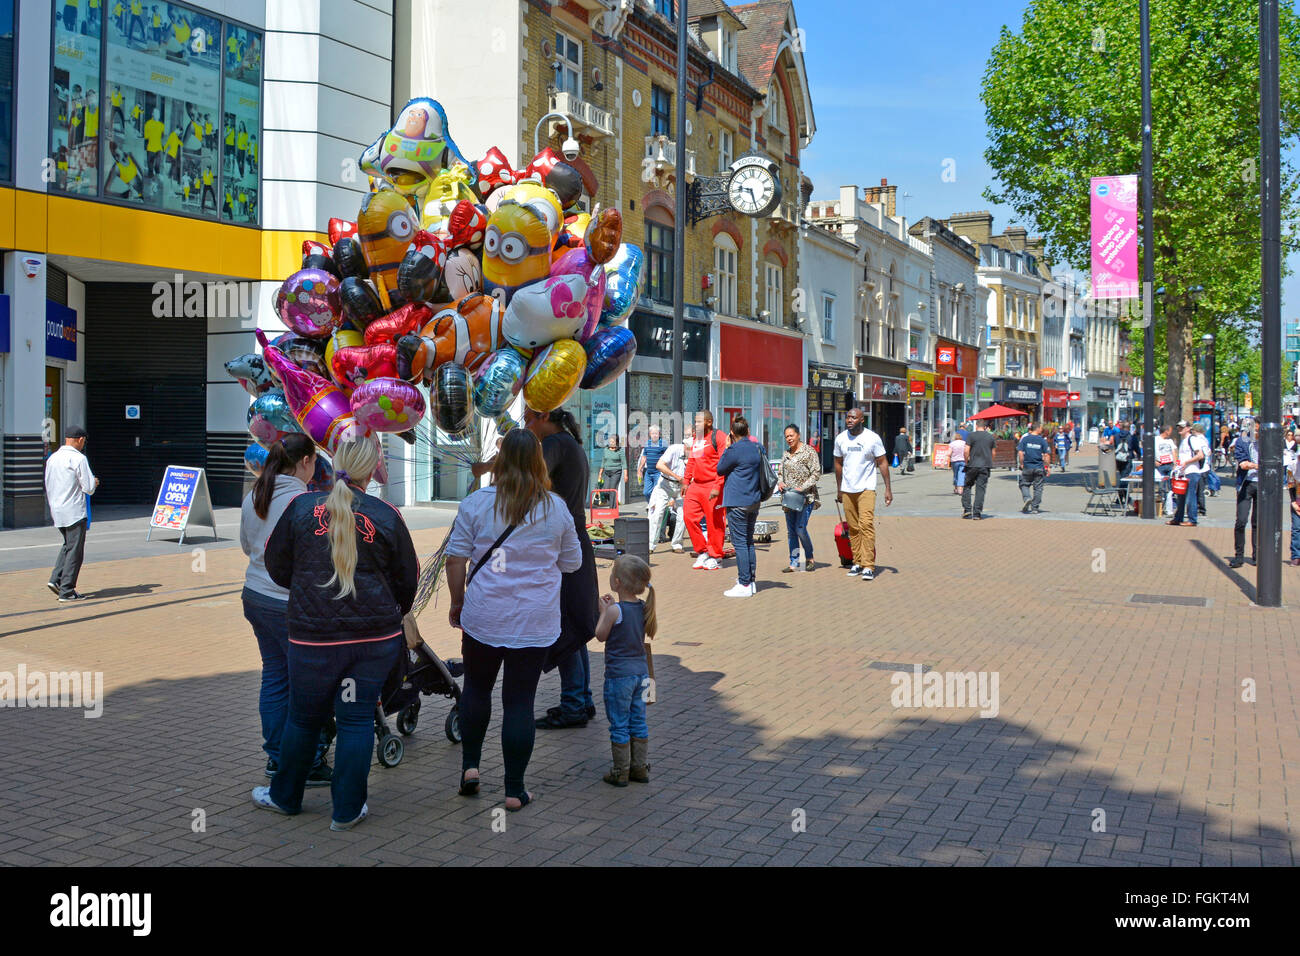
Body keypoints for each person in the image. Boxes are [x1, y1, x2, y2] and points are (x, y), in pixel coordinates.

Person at [253, 439, 418, 830]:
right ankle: (346, 810)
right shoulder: (386, 514)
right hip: (372, 640)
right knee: (356, 720)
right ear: (372, 470)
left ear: (335, 463)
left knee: (303, 719)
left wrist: (308, 591)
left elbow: (276, 566)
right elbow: (407, 580)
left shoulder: (301, 508)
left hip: (313, 638)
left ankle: (285, 797)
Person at [446, 428, 581, 811]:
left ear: (501, 462)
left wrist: (458, 602)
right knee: (519, 702)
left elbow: (455, 560)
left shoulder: (476, 503)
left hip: (484, 615)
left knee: (476, 690)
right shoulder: (555, 508)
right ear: (539, 463)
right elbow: (572, 562)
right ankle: (514, 790)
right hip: (534, 622)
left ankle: (470, 768)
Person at [239, 434, 332, 787]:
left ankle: (277, 756)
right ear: (305, 461)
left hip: (255, 596)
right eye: (315, 462)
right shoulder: (304, 502)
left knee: (275, 677)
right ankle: (308, 760)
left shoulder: (254, 496)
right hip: (288, 603)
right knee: (308, 684)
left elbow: (247, 546)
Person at [525, 409, 600, 731]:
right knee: (573, 624)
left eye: (528, 419)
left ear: (544, 416)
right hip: (573, 540)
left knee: (564, 625)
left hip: (562, 544)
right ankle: (580, 699)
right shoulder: (569, 443)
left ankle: (573, 705)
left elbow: (530, 481)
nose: (526, 426)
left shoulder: (555, 443)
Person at [593, 555, 656, 787]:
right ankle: (639, 767)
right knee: (638, 720)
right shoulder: (643, 607)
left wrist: (603, 611)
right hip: (642, 673)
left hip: (619, 676)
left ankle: (620, 771)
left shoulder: (615, 611)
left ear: (617, 582)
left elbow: (600, 635)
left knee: (619, 722)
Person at [834, 407, 892, 581]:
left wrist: (888, 488)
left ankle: (868, 565)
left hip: (867, 488)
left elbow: (882, 462)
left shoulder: (872, 438)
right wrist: (839, 488)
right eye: (848, 417)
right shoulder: (840, 438)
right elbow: (838, 463)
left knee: (866, 525)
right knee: (853, 527)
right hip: (848, 489)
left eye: (853, 417)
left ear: (862, 420)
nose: (849, 420)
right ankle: (857, 562)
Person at [45, 426, 99, 603]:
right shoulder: (78, 458)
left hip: (57, 509)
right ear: (81, 439)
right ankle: (67, 590)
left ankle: (56, 579)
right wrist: (95, 482)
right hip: (74, 510)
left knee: (68, 545)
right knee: (75, 551)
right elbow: (88, 488)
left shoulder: (53, 458)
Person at [716, 416, 767, 597]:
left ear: (732, 433)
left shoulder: (733, 450)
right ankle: (750, 581)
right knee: (748, 541)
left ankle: (744, 583)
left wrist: (727, 447)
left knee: (739, 544)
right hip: (754, 500)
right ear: (748, 431)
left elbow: (720, 469)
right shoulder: (757, 447)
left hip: (737, 501)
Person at [683, 410, 729, 570]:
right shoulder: (698, 438)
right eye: (695, 421)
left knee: (714, 522)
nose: (695, 424)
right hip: (696, 485)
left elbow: (724, 464)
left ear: (709, 422)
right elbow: (692, 460)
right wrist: (686, 481)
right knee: (689, 517)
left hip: (713, 485)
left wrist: (717, 486)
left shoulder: (720, 437)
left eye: (698, 421)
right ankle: (702, 551)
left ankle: (716, 556)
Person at [777, 424, 820, 572]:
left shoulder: (809, 451)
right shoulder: (786, 454)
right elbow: (781, 473)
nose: (789, 439)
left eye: (791, 435)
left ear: (798, 435)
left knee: (800, 528)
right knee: (791, 531)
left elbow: (816, 473)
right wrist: (780, 482)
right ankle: (794, 562)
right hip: (789, 498)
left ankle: (809, 557)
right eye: (787, 437)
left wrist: (802, 487)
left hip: (806, 497)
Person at [648, 425, 692, 553]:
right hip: (665, 485)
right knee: (658, 513)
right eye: (690, 450)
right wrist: (677, 477)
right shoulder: (673, 449)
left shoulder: (694, 455)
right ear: (685, 446)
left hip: (682, 488)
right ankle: (650, 545)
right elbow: (659, 465)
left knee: (683, 516)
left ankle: (677, 544)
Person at [1229, 420, 1259, 568]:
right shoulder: (1242, 441)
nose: (1256, 432)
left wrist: (1253, 465)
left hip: (1263, 485)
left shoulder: (1268, 442)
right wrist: (1257, 465)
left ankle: (1257, 556)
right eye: (1254, 429)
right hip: (1246, 484)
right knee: (1241, 521)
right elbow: (1242, 463)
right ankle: (1239, 556)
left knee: (1257, 523)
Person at [1169, 420, 1209, 527]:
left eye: (1182, 427)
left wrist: (1186, 462)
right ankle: (1178, 518)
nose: (1179, 429)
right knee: (1181, 496)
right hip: (1183, 472)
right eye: (1178, 427)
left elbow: (1200, 455)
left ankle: (1192, 519)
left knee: (1190, 496)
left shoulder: (1193, 439)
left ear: (1188, 428)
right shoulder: (1183, 441)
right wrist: (1177, 465)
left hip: (1192, 471)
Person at [962, 419, 996, 519]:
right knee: (980, 489)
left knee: (967, 486)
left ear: (976, 426)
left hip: (972, 465)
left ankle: (967, 510)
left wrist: (966, 461)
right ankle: (977, 513)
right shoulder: (990, 437)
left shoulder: (971, 435)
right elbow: (993, 453)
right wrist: (990, 461)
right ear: (985, 427)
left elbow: (966, 450)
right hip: (985, 466)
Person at [1017, 422, 1052, 514]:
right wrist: (1047, 467)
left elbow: (1020, 453)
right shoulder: (1042, 440)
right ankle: (1035, 507)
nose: (1042, 429)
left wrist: (1021, 463)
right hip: (1039, 467)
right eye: (1041, 428)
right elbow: (1047, 455)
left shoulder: (1025, 439)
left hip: (1027, 466)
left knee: (1024, 484)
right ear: (1038, 428)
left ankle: (1027, 498)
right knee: (1038, 488)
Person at [636, 424, 666, 502]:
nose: (654, 435)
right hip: (648, 472)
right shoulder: (647, 443)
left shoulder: (663, 443)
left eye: (656, 433)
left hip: (658, 472)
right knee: (646, 492)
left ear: (659, 434)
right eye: (653, 433)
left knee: (657, 492)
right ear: (650, 434)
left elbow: (667, 457)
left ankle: (656, 507)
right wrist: (639, 469)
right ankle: (651, 505)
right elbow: (644, 457)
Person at [949, 429, 968, 496]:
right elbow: (967, 451)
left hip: (954, 461)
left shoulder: (952, 444)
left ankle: (956, 488)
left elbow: (949, 453)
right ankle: (960, 489)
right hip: (963, 460)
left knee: (955, 474)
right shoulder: (964, 443)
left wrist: (945, 460)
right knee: (962, 474)